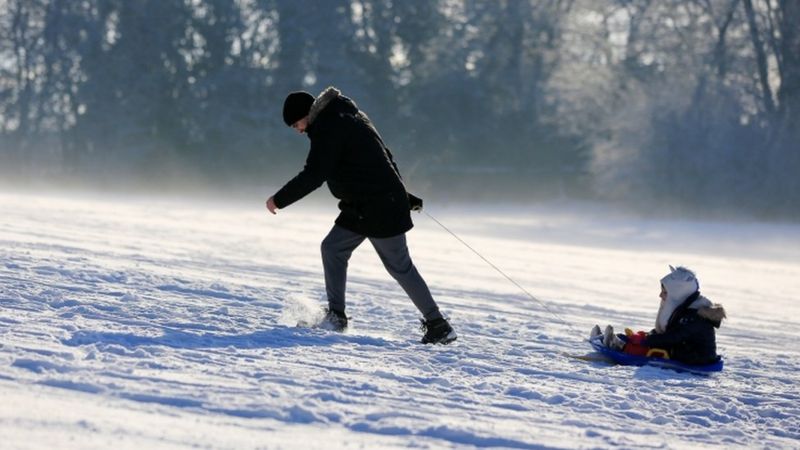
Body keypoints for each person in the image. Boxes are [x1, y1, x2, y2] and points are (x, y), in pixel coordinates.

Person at [266, 87, 457, 344]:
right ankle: (336, 317)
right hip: (363, 205)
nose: (298, 130)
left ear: (306, 114)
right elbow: (382, 155)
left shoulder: (329, 126)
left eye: (296, 124)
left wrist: (279, 199)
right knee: (332, 248)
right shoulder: (346, 115)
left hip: (379, 205)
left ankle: (439, 325)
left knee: (399, 266)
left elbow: (315, 174)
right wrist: (402, 192)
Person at [591, 266, 726, 365]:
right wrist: (645, 336)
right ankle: (616, 339)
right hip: (683, 348)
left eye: (665, 292)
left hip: (697, 357)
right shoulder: (685, 308)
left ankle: (619, 346)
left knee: (654, 347)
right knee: (645, 339)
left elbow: (673, 337)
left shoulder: (695, 317)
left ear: (677, 294)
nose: (660, 296)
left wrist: (646, 340)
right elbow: (670, 333)